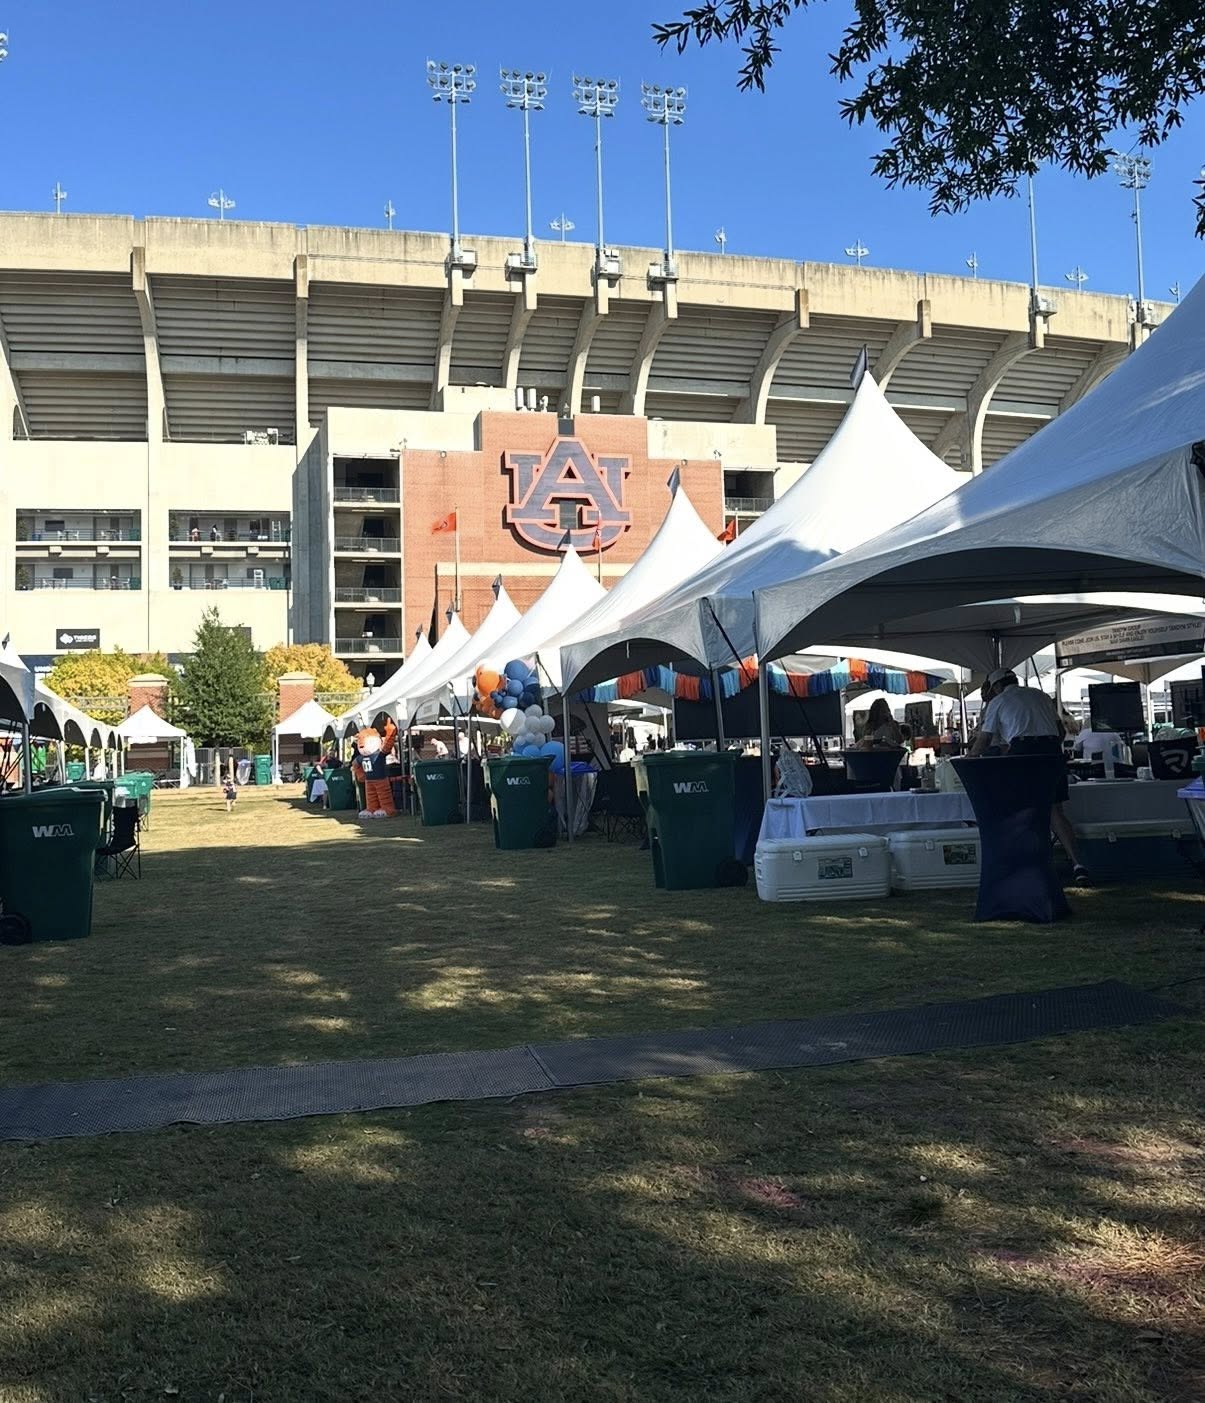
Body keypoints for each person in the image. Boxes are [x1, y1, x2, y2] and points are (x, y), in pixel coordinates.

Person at [969, 667, 1088, 884]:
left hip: (1023, 752)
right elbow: (1060, 731)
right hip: (1051, 751)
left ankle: (1029, 864)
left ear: (996, 686)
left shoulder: (999, 701)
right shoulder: (1040, 695)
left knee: (1021, 808)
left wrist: (969, 758)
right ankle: (1077, 864)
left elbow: (984, 740)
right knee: (1054, 809)